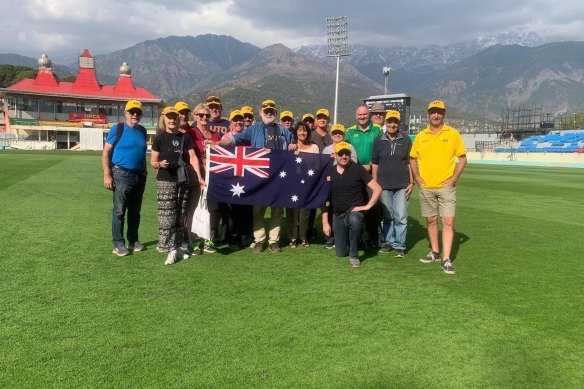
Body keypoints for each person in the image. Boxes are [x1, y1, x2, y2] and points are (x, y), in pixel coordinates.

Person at [212, 99, 296, 253]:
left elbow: (293, 145)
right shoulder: (253, 129)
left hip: (278, 175)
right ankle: (259, 240)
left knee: (277, 210)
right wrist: (217, 144)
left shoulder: (283, 130)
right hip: (260, 175)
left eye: (271, 111)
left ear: (276, 113)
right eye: (266, 111)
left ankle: (273, 241)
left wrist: (293, 145)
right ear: (261, 112)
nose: (269, 113)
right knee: (258, 209)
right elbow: (233, 139)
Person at [410, 100, 467, 274]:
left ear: (443, 114)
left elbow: (463, 158)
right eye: (433, 112)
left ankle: (446, 259)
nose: (436, 115)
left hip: (446, 187)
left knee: (448, 221)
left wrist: (454, 178)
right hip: (426, 186)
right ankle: (435, 251)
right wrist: (418, 179)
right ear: (428, 114)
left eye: (439, 112)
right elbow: (412, 158)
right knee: (431, 220)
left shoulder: (453, 134)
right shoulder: (421, 136)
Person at [151, 107, 205, 265]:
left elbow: (194, 158)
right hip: (165, 180)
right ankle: (168, 247)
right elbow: (153, 162)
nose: (172, 120)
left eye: (175, 117)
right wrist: (159, 164)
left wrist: (199, 177)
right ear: (164, 119)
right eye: (169, 117)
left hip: (183, 180)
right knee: (167, 215)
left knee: (181, 214)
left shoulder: (186, 137)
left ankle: (177, 246)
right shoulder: (159, 138)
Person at [322, 142, 381, 268]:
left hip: (355, 211)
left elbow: (377, 189)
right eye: (340, 154)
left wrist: (367, 206)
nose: (344, 156)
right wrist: (325, 222)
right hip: (338, 215)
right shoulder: (329, 172)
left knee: (354, 220)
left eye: (346, 154)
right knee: (341, 253)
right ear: (335, 155)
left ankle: (354, 255)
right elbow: (325, 199)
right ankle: (359, 241)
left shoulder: (358, 169)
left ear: (350, 155)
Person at [102, 99, 148, 257]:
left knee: (135, 212)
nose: (135, 114)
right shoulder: (118, 129)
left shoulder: (142, 131)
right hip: (121, 174)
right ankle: (118, 243)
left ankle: (133, 241)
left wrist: (145, 171)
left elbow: (141, 154)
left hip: (139, 176)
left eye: (138, 112)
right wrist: (107, 174)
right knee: (119, 211)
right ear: (126, 113)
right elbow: (106, 152)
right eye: (132, 111)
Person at [371, 110, 413, 258]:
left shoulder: (406, 140)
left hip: (402, 184)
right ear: (385, 123)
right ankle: (389, 241)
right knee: (387, 216)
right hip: (383, 185)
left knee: (401, 216)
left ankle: (400, 245)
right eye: (390, 121)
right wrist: (375, 182)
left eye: (395, 121)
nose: (392, 124)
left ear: (399, 123)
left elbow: (409, 163)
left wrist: (412, 182)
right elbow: (375, 163)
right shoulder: (378, 140)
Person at [345, 104, 383, 248]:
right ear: (356, 116)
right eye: (359, 115)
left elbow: (380, 151)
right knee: (355, 204)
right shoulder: (350, 132)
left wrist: (370, 166)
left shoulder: (377, 130)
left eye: (365, 114)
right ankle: (357, 237)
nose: (362, 117)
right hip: (355, 174)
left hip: (372, 174)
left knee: (373, 206)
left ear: (369, 115)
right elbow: (346, 152)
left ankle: (373, 237)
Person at [186, 103, 222, 254]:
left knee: (213, 208)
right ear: (195, 116)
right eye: (201, 115)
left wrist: (216, 146)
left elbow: (222, 154)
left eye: (207, 115)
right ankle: (194, 241)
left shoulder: (215, 135)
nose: (204, 118)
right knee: (194, 208)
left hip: (213, 175)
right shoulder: (191, 133)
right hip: (196, 174)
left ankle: (209, 239)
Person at [321, 123, 357, 249]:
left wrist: (336, 157)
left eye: (340, 133)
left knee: (345, 209)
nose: (337, 135)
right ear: (331, 135)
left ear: (343, 134)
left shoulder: (350, 147)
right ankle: (330, 236)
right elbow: (323, 167)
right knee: (329, 208)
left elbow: (354, 164)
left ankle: (345, 235)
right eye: (335, 132)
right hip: (330, 183)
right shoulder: (326, 150)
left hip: (346, 183)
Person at [222, 109, 253, 251]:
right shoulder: (226, 138)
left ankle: (246, 237)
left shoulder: (249, 137)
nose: (239, 122)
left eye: (240, 120)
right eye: (236, 120)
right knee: (232, 210)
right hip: (231, 178)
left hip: (248, 178)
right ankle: (233, 239)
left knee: (246, 209)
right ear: (231, 122)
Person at [287, 122, 319, 249]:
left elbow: (317, 165)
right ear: (296, 132)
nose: (302, 133)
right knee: (292, 211)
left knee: (305, 211)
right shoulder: (291, 147)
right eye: (300, 130)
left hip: (307, 183)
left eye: (305, 130)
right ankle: (292, 237)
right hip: (292, 183)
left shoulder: (314, 147)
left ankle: (304, 237)